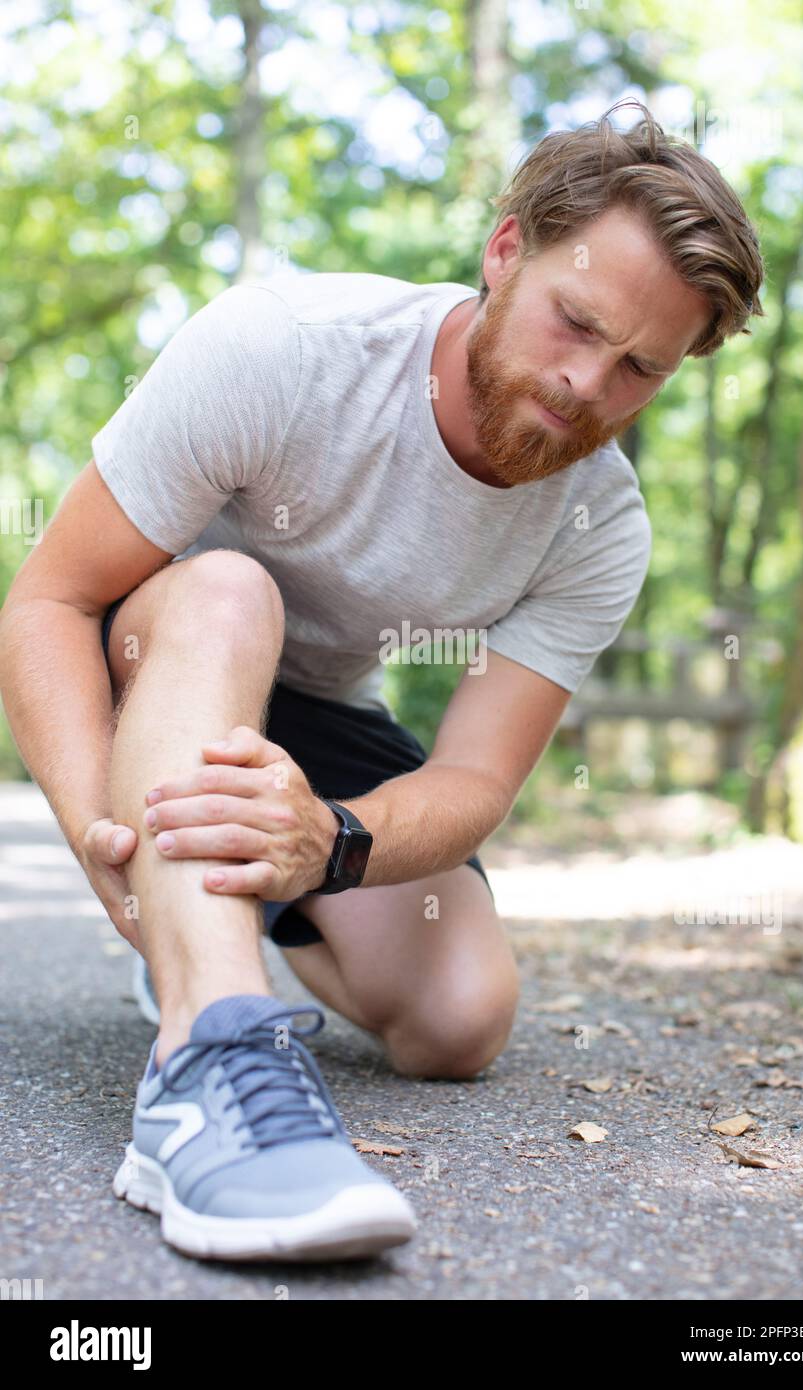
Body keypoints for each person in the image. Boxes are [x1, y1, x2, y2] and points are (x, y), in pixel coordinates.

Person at [0, 100, 763, 1262]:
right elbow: (48, 602)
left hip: (316, 716)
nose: (582, 388)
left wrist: (330, 840)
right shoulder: (283, 347)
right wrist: (98, 829)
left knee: (460, 1015)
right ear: (504, 249)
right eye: (573, 322)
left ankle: (216, 923)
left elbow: (473, 775)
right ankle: (202, 1063)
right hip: (156, 651)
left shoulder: (599, 525)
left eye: (637, 370)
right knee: (226, 593)